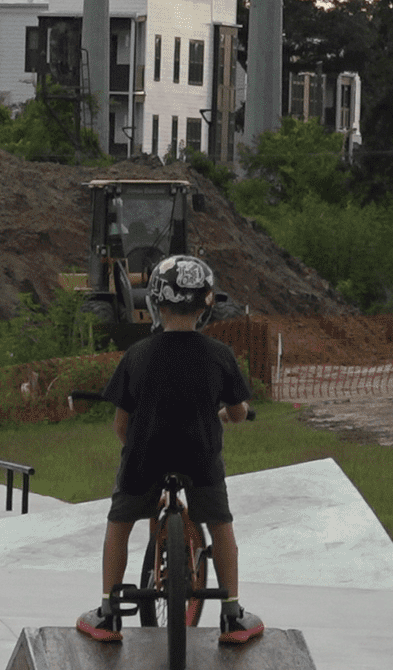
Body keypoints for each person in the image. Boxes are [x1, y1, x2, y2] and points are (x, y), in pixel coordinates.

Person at [76, 254, 262, 646]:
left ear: (156, 302)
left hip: (145, 457)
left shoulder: (137, 355)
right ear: (206, 305)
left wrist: (138, 449)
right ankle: (232, 614)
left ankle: (108, 612)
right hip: (201, 457)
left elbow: (121, 425)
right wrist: (235, 414)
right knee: (221, 525)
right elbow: (237, 412)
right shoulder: (220, 355)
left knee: (119, 523)